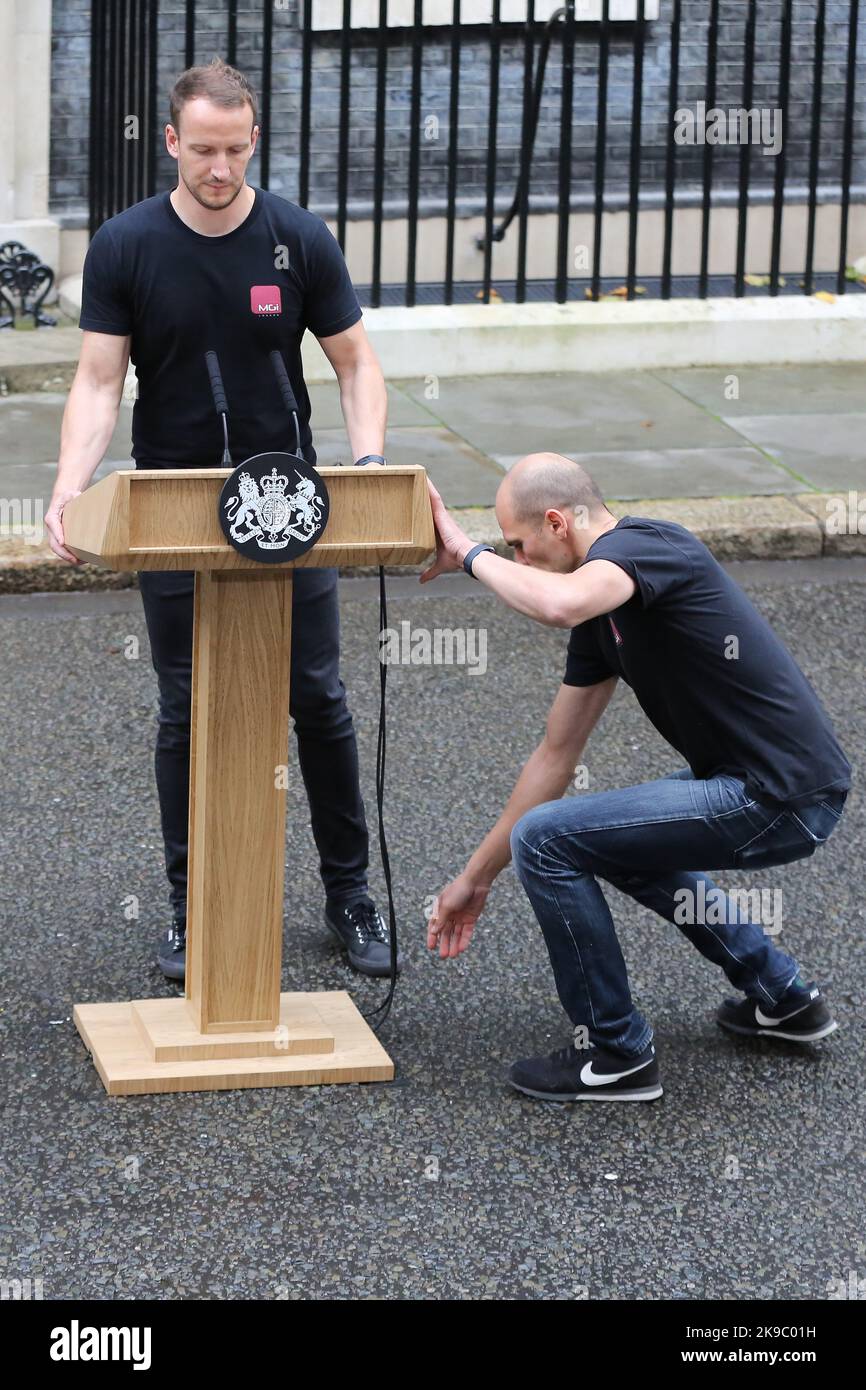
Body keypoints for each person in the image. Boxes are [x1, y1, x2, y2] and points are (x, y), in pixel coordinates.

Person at [45, 57, 402, 982]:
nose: (219, 167)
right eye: (202, 149)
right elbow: (96, 380)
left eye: (235, 150)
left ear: (253, 141)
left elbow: (357, 363)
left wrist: (366, 466)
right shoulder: (126, 246)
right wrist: (66, 488)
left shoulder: (297, 237)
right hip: (172, 503)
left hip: (288, 504)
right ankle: (189, 907)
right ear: (171, 141)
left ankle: (350, 895)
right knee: (184, 707)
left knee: (316, 699)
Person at [423, 452, 851, 1103]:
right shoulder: (600, 615)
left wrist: (467, 552)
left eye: (518, 545)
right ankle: (783, 999)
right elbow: (554, 757)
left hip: (779, 795)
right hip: (761, 787)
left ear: (558, 523)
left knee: (548, 840)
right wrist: (473, 880)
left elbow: (558, 604)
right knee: (584, 836)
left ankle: (617, 1052)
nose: (519, 559)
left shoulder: (649, 547)